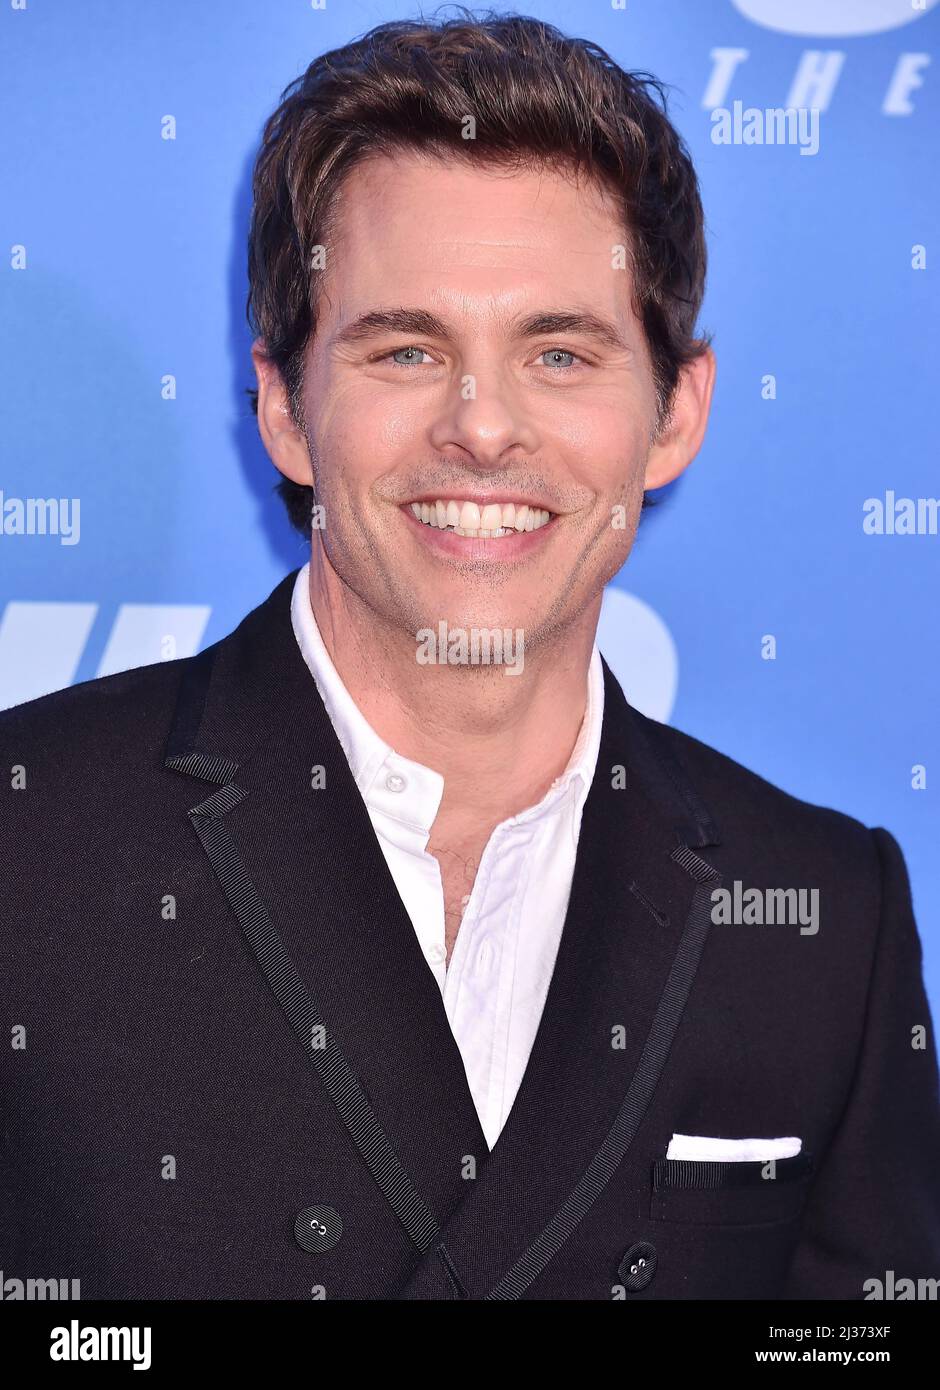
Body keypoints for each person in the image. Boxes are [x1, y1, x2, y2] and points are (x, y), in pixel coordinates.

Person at [1, 14, 938, 1301]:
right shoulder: (25, 838)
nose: (483, 427)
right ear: (282, 405)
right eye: (406, 350)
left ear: (676, 412)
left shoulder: (827, 914)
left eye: (559, 353)